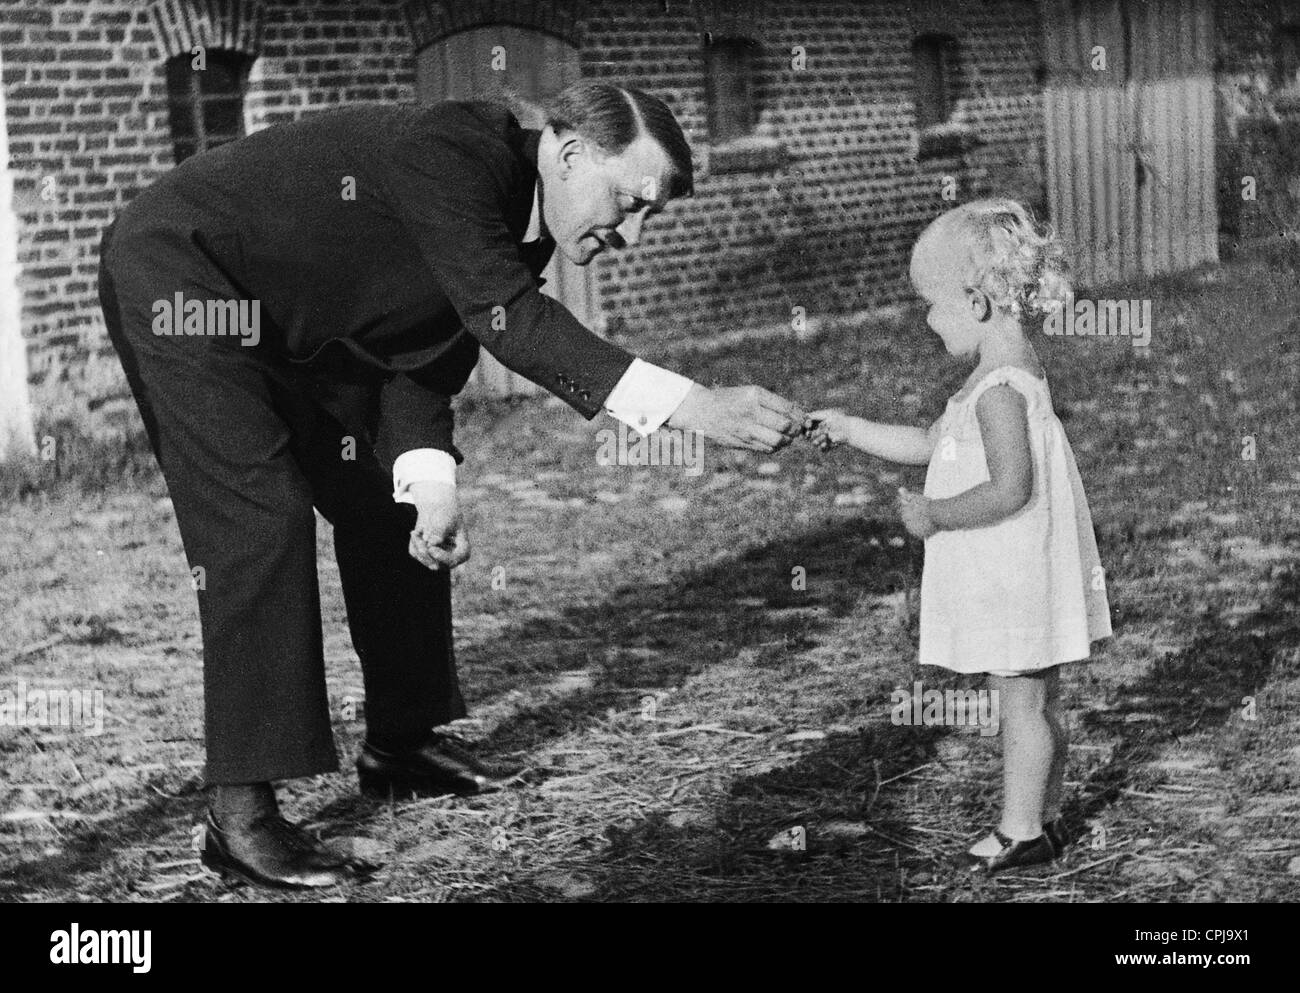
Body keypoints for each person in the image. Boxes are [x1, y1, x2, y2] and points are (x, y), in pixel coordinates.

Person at [98, 81, 806, 889]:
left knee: (386, 504)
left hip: (290, 317)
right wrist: (693, 405)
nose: (633, 235)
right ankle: (240, 816)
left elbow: (421, 348)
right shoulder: (455, 151)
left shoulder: (525, 214)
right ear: (571, 153)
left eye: (651, 216)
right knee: (261, 517)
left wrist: (427, 476)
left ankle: (400, 745)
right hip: (179, 274)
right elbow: (508, 318)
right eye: (628, 201)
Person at [807, 199, 1112, 873]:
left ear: (976, 303)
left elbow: (1011, 488)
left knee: (1024, 705)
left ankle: (1022, 827)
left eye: (933, 305)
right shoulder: (995, 375)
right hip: (1017, 566)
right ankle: (1046, 816)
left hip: (1017, 570)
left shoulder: (1000, 388)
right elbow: (927, 443)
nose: (926, 319)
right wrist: (852, 427)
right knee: (1034, 699)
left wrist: (936, 515)